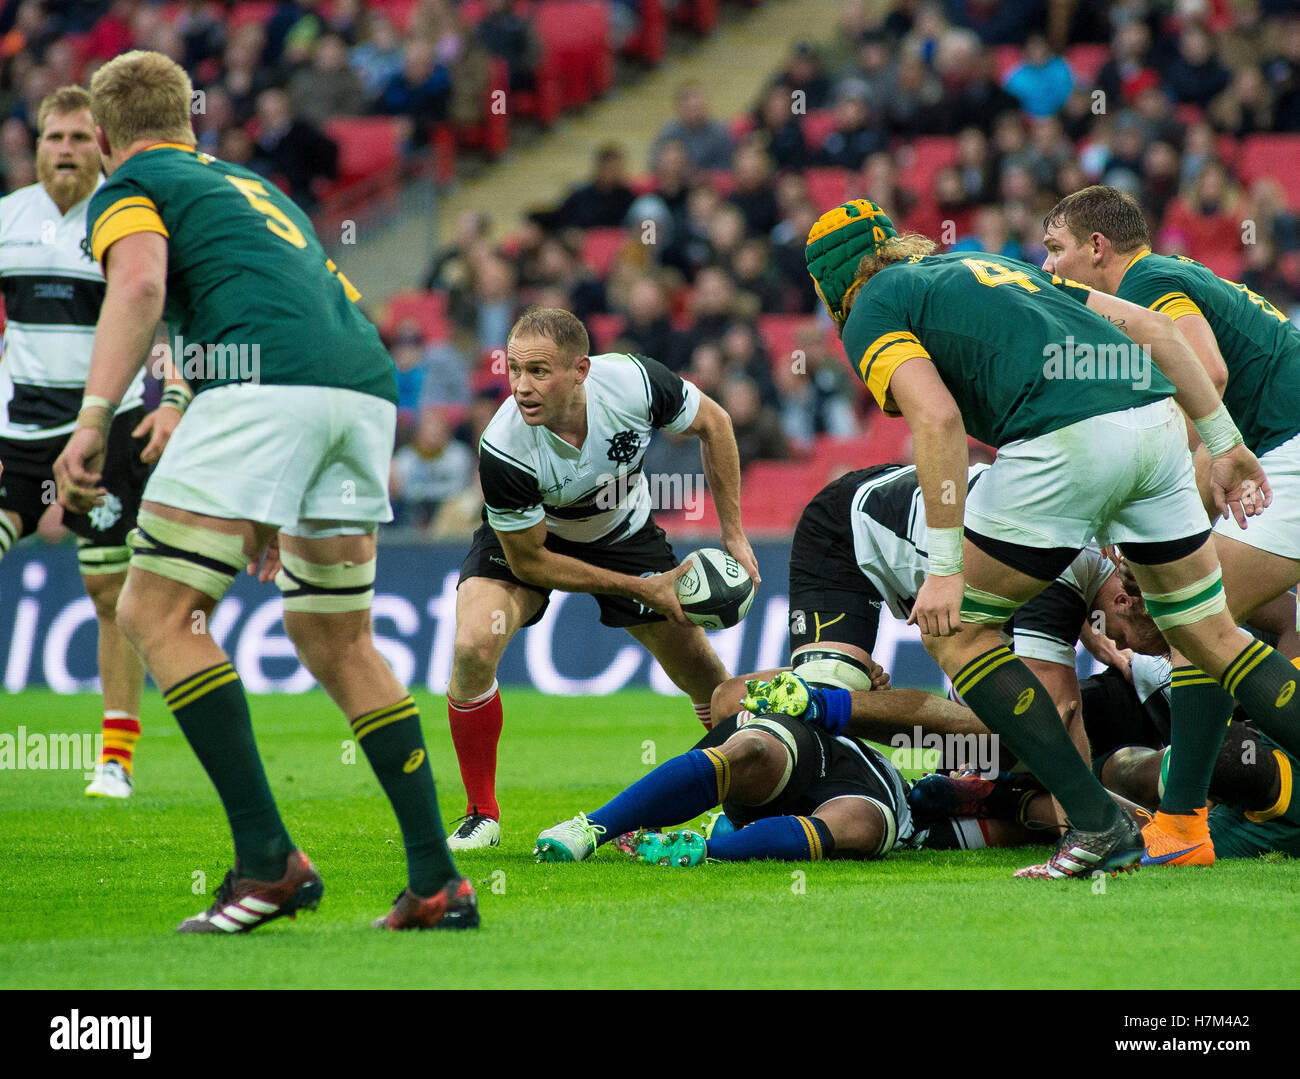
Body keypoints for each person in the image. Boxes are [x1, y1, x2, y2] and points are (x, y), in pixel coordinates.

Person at [53, 50, 475, 933]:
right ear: (191, 120)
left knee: (156, 611)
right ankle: (438, 880)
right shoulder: (254, 187)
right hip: (361, 387)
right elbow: (288, 302)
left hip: (268, 390)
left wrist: (92, 418)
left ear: (102, 138)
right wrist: (272, 492)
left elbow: (139, 283)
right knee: (335, 634)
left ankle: (266, 862)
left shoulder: (131, 183)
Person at [805, 197, 1279, 880]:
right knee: (1213, 635)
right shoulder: (982, 265)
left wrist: (942, 568)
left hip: (1065, 444)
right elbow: (1156, 330)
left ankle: (1098, 822)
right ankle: (1172, 822)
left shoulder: (873, 305)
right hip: (1155, 424)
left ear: (830, 285)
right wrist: (1223, 440)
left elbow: (936, 420)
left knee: (959, 629)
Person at [1040, 184, 1300, 866]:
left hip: (1292, 444)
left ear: (1097, 247)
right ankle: (1186, 821)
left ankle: (1184, 823)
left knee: (1196, 619)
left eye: (1055, 249)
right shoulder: (1169, 282)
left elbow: (1205, 369)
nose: (1047, 268)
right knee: (1204, 621)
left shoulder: (1150, 278)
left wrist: (1177, 519)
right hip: (1281, 446)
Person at [447, 307, 758, 850]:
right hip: (529, 543)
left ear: (581, 371)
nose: (522, 387)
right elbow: (531, 564)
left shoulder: (635, 383)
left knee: (707, 676)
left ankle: (744, 804)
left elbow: (717, 424)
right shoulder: (504, 448)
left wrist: (733, 533)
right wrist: (643, 588)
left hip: (624, 534)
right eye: (514, 370)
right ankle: (481, 815)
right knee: (473, 644)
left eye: (539, 371)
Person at [0, 86, 186, 800]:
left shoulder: (125, 217)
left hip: (99, 429)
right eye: (56, 138)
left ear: (102, 144)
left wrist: (171, 395)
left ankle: (115, 757)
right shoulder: (9, 219)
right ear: (37, 143)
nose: (68, 150)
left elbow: (163, 322)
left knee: (111, 590)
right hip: (16, 434)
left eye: (81, 137)